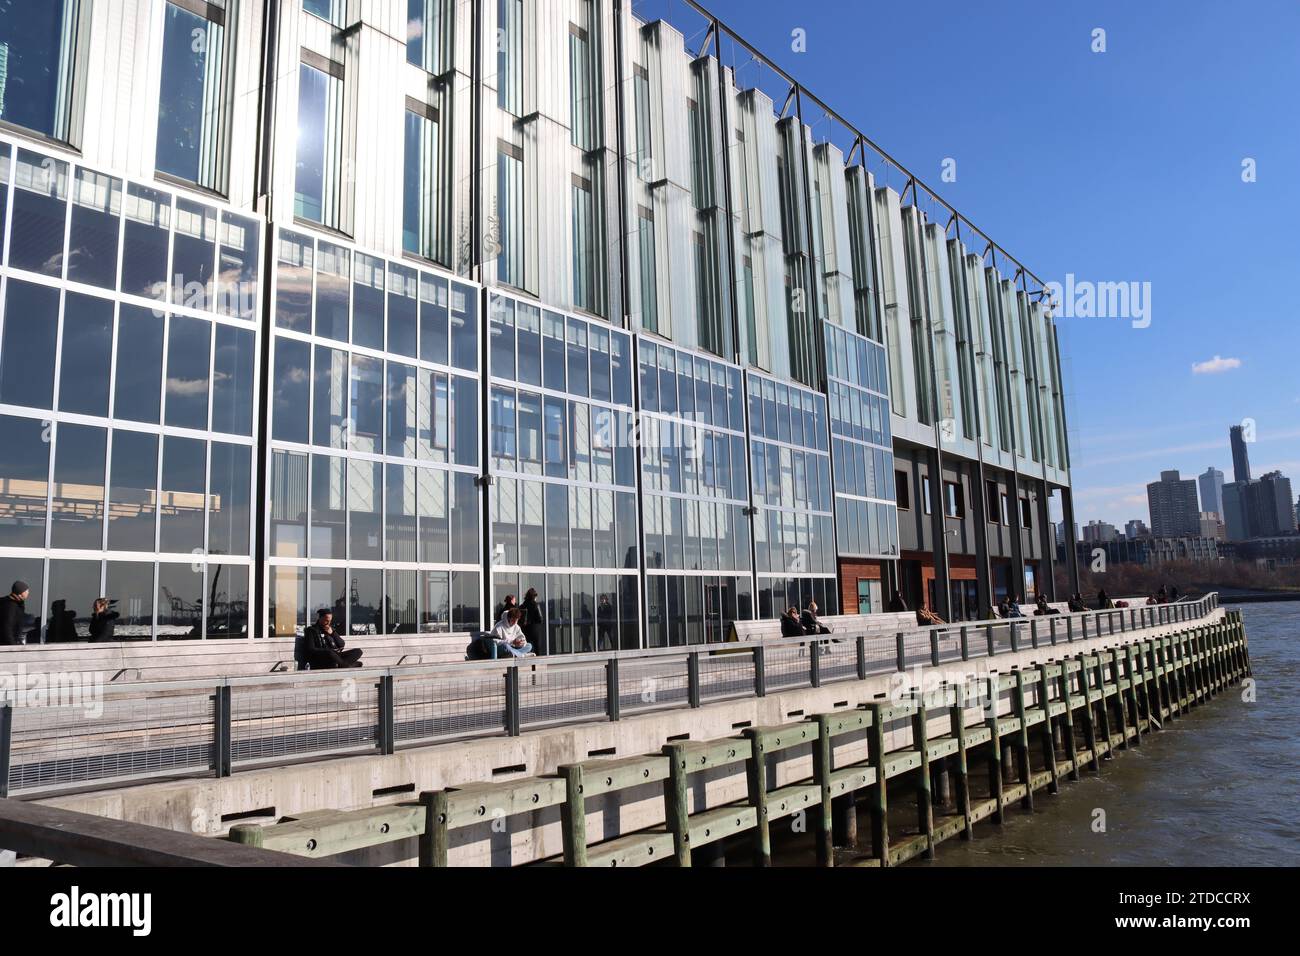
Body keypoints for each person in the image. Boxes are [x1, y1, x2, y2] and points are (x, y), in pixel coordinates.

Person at [0, 581, 29, 646]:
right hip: (6, 646)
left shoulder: (17, 604)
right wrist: (13, 645)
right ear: (20, 593)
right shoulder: (11, 606)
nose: (28, 593)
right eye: (26, 591)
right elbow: (7, 627)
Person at [520, 588, 545, 655]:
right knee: (537, 648)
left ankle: (526, 663)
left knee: (526, 647)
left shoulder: (522, 605)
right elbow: (540, 619)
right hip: (535, 629)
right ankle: (537, 663)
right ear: (534, 596)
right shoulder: (536, 605)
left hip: (525, 629)